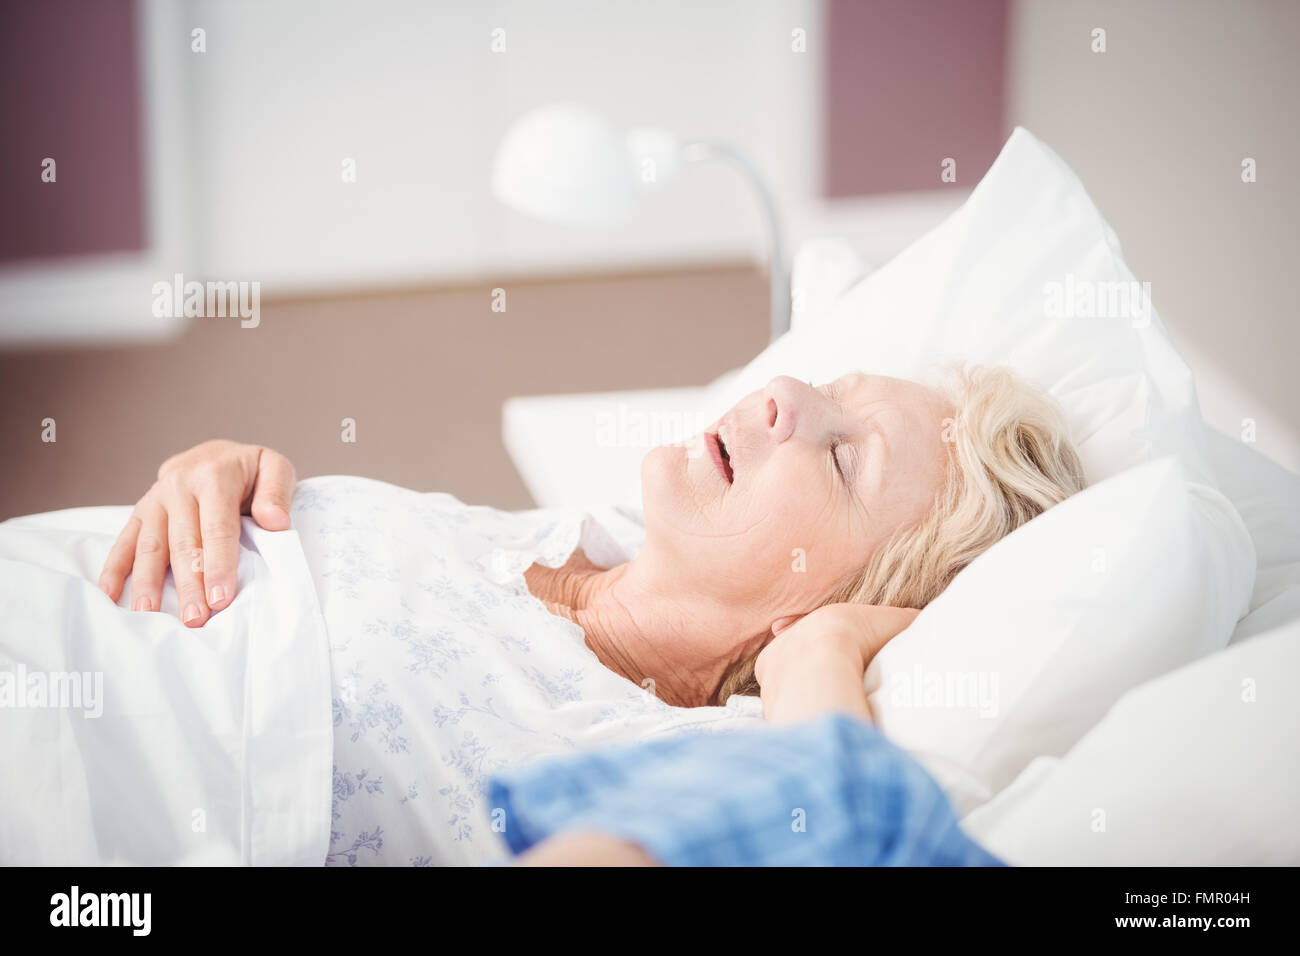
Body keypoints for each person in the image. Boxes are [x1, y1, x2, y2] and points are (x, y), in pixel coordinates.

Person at [97, 364, 1085, 708]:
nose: (782, 395)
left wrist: (822, 653)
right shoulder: (556, 540)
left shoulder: (645, 749)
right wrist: (222, 474)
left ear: (839, 596)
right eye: (829, 389)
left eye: (841, 457)